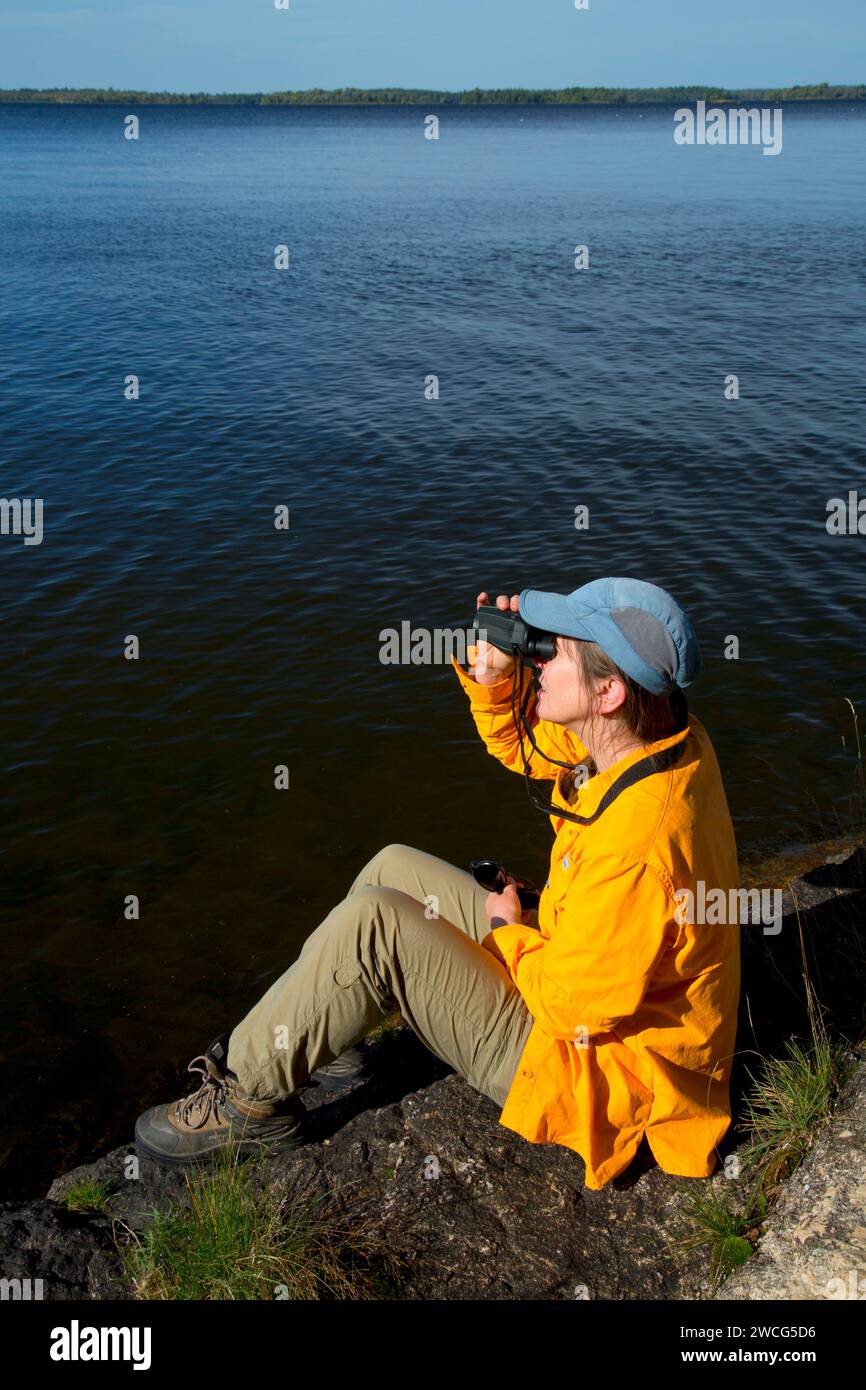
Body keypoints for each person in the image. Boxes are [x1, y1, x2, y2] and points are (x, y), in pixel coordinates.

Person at [135, 576, 741, 1193]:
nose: (541, 657)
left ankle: (246, 1103)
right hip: (576, 968)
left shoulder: (640, 844)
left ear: (608, 691)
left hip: (597, 1071)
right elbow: (523, 746)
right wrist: (499, 679)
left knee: (375, 925)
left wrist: (510, 931)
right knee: (390, 867)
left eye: (555, 650)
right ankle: (321, 1029)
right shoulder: (654, 735)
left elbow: (569, 1006)